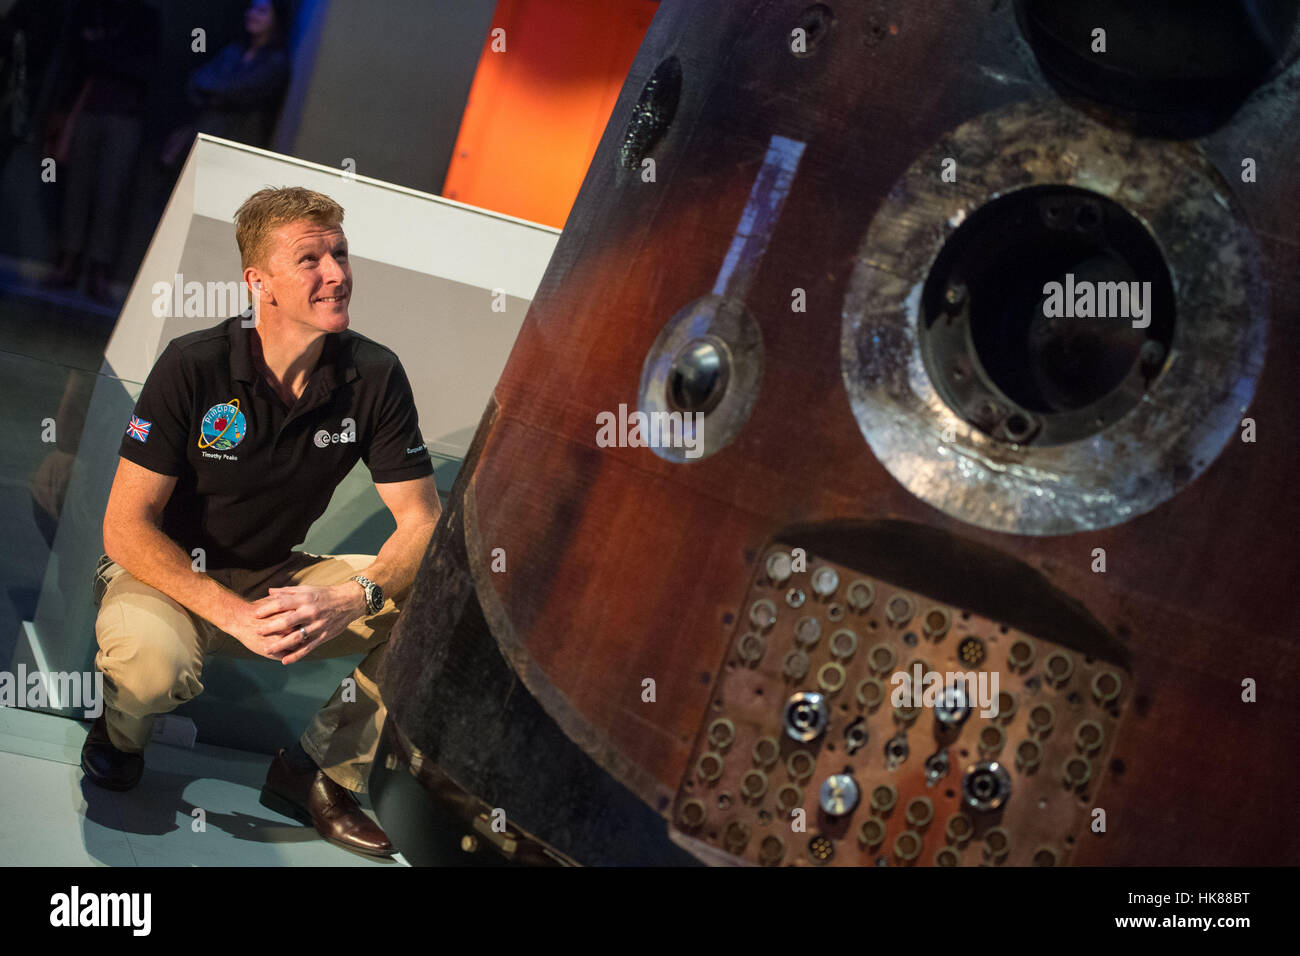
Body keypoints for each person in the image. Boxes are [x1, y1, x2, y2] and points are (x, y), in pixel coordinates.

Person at [83, 186, 442, 858]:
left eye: (340, 253)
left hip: (273, 579)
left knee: (441, 602)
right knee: (152, 669)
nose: (336, 273)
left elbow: (422, 521)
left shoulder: (374, 373)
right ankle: (119, 735)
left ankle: (317, 773)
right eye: (310, 260)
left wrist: (353, 595)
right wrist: (231, 613)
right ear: (259, 282)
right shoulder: (194, 364)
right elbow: (126, 526)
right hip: (164, 576)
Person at [42, 0, 159, 301]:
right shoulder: (90, 10)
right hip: (86, 109)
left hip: (125, 115)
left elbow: (143, 69)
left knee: (112, 194)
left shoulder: (145, 18)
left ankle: (99, 269)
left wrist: (101, 51)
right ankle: (69, 261)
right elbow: (75, 58)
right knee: (75, 189)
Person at [161, 0, 292, 166]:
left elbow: (242, 92)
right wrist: (218, 94)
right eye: (251, 8)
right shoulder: (234, 51)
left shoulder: (276, 61)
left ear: (276, 19)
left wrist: (215, 93)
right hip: (205, 130)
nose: (252, 14)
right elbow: (197, 79)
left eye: (261, 11)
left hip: (238, 142)